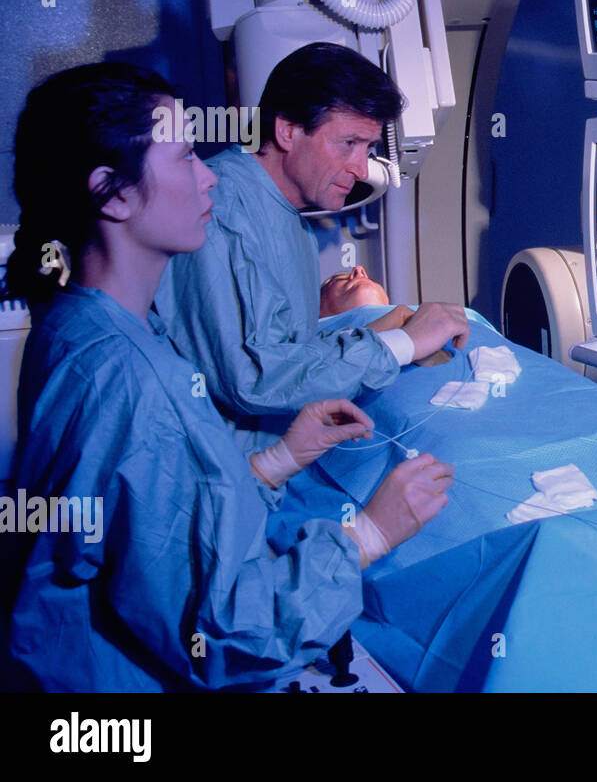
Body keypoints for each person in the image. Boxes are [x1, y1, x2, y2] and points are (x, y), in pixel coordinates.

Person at [1, 63, 454, 690]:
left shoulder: (85, 327)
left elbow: (144, 517)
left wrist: (272, 463)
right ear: (115, 193)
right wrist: (367, 536)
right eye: (186, 156)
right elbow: (219, 637)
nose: (211, 173)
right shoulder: (137, 382)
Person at [153, 42, 468, 443]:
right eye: (348, 143)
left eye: (368, 148)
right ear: (287, 131)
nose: (360, 167)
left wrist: (372, 336)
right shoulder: (219, 211)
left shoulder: (288, 220)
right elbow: (253, 379)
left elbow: (283, 347)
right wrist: (402, 345)